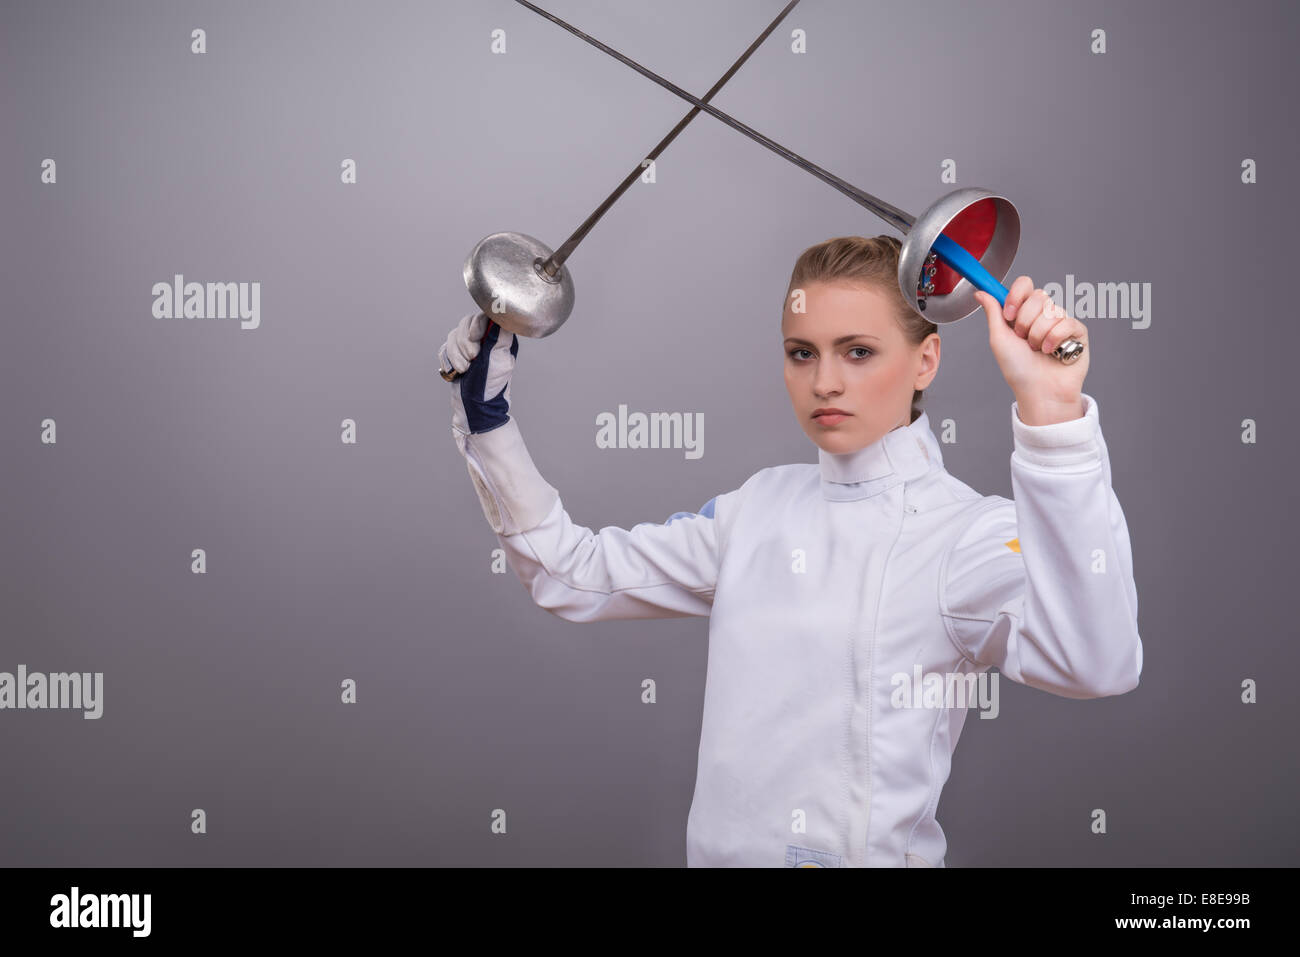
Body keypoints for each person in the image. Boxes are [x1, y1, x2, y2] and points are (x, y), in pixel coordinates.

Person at [438, 234, 1143, 868]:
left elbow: (1094, 660)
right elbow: (573, 574)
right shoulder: (758, 509)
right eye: (802, 352)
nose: (825, 382)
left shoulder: (963, 535)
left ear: (926, 358)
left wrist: (1054, 420)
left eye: (858, 351)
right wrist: (488, 420)